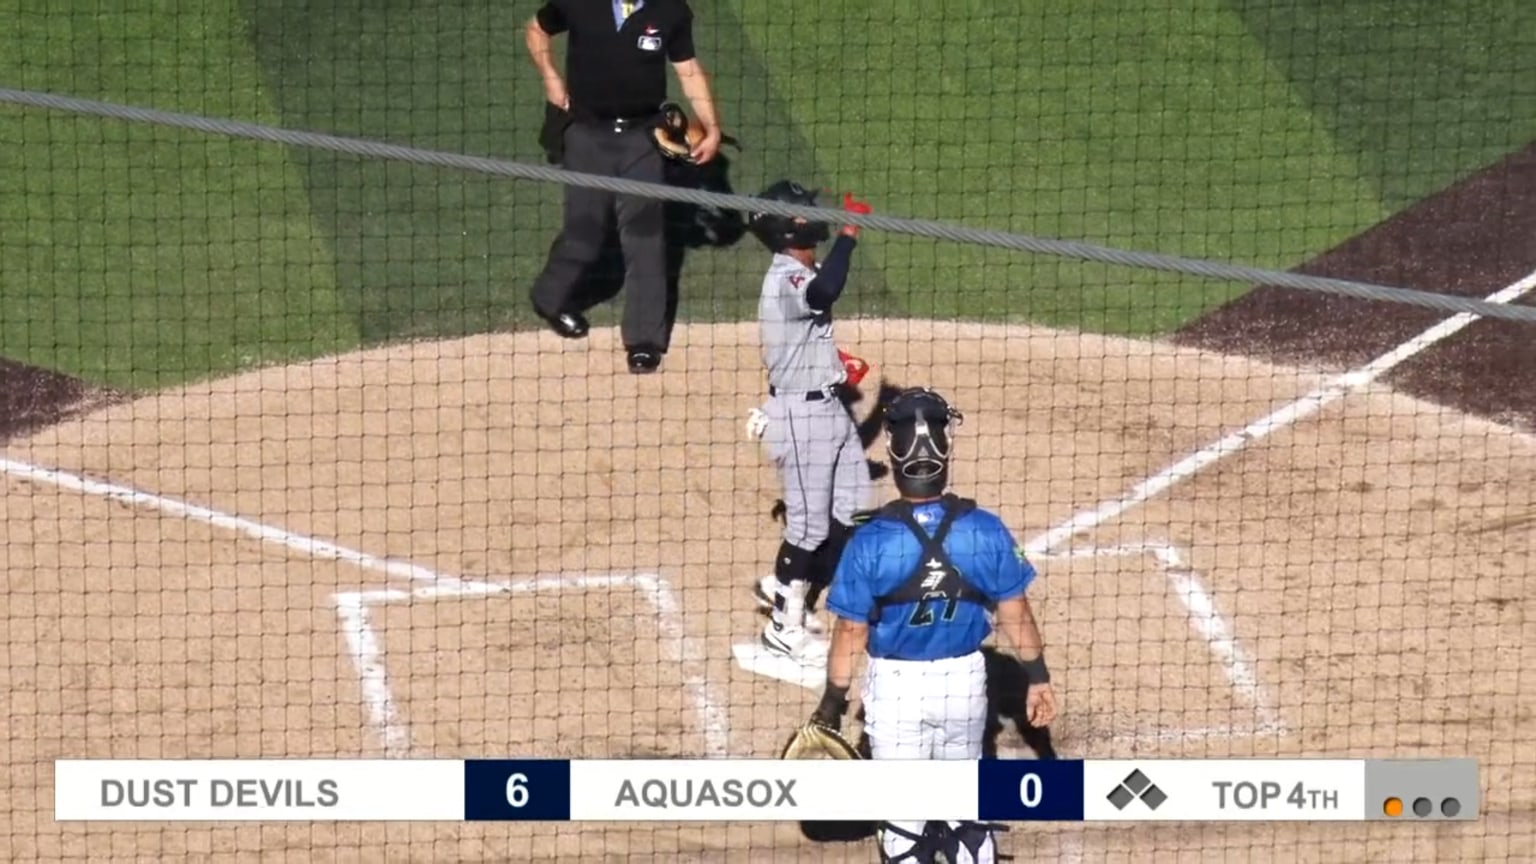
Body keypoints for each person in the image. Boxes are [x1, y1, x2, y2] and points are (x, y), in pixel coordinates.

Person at [813, 387, 1060, 863]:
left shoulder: (871, 540)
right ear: (946, 450)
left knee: (903, 824)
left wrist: (832, 702)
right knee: (964, 811)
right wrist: (1037, 677)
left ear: (893, 451)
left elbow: (851, 632)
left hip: (897, 690)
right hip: (963, 684)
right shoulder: (984, 528)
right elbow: (1016, 614)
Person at [524, 0, 722, 374]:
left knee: (646, 237)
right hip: (586, 134)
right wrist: (550, 76)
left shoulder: (671, 10)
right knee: (585, 233)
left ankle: (644, 340)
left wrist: (711, 126)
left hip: (643, 141)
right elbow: (536, 28)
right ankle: (548, 298)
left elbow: (689, 70)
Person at [743, 180, 877, 661]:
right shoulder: (787, 277)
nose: (811, 217)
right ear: (784, 228)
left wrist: (835, 364)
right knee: (806, 528)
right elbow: (824, 293)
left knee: (856, 507)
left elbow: (802, 336)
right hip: (801, 416)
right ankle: (783, 625)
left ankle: (782, 584)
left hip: (828, 407)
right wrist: (849, 232)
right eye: (803, 214)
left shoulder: (802, 266)